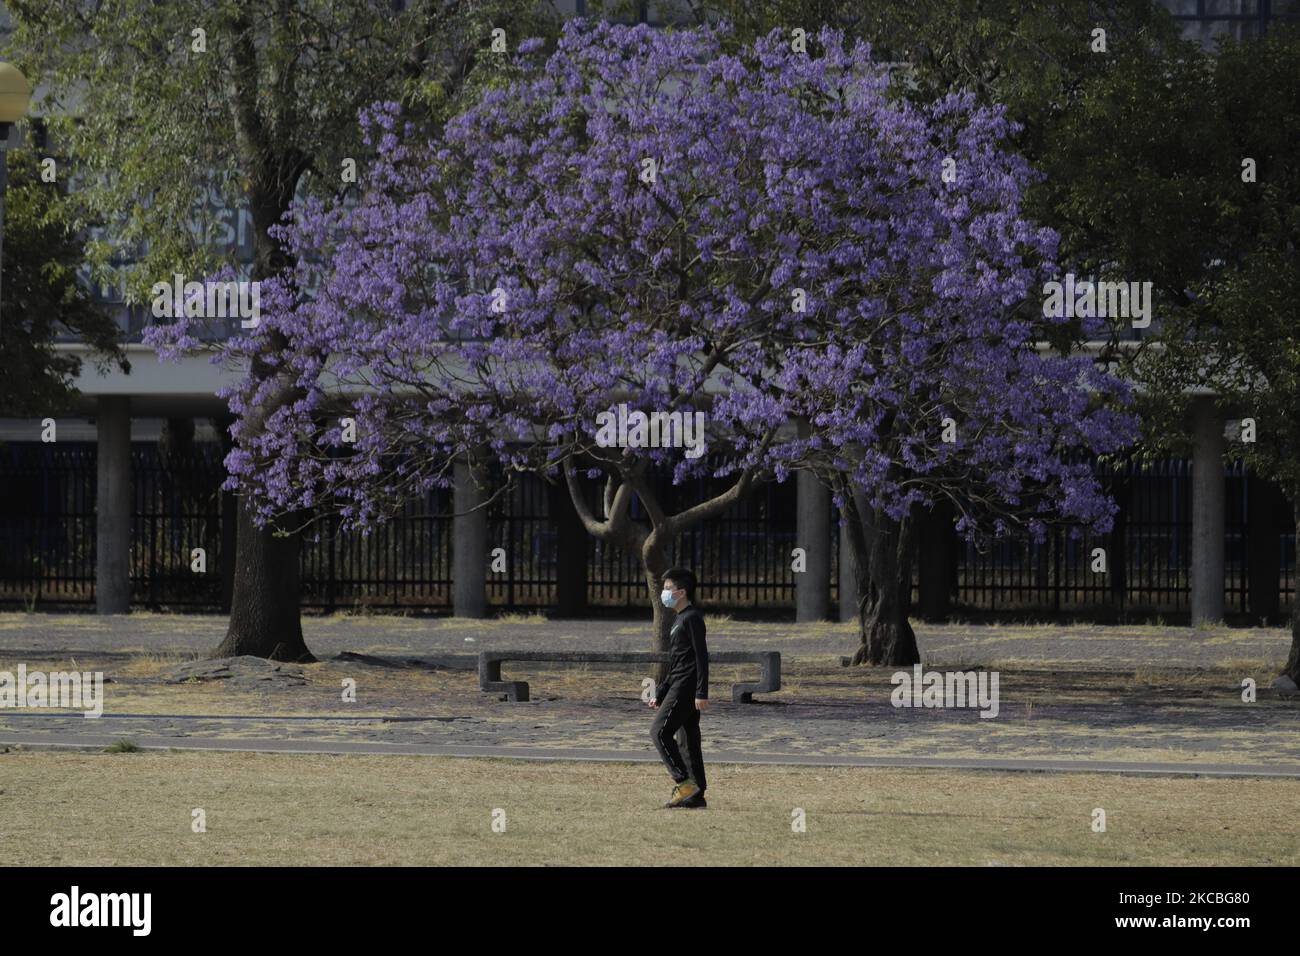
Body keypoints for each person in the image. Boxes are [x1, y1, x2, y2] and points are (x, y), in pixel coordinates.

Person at [648, 568, 709, 809]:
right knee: (687, 739)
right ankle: (696, 795)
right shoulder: (679, 618)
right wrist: (662, 691)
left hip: (686, 687)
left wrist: (701, 692)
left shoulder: (692, 617)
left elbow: (701, 657)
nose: (664, 593)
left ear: (681, 592)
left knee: (659, 732)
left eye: (667, 588)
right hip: (679, 683)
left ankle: (683, 782)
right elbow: (678, 661)